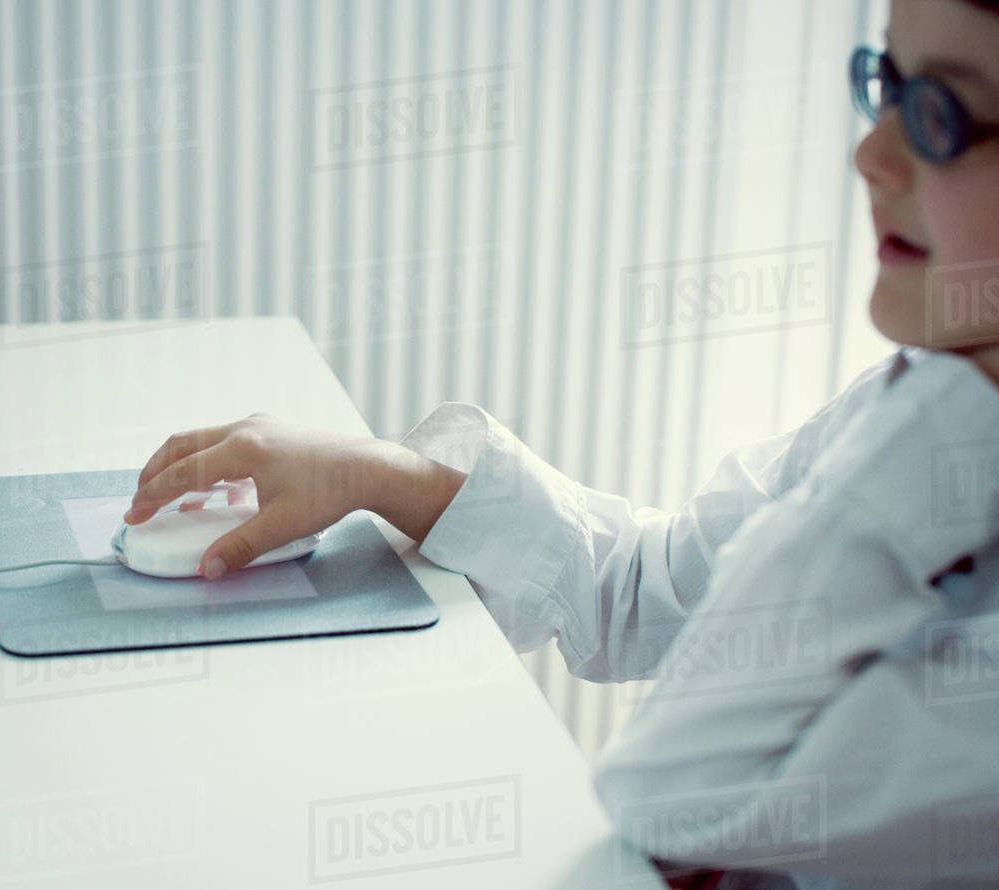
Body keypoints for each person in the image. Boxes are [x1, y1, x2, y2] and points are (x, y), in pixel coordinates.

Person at [123, 1, 999, 885]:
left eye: (941, 117)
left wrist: (943, 424)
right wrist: (381, 474)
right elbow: (652, 592)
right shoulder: (924, 401)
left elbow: (668, 794)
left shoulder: (934, 422)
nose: (871, 154)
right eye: (890, 87)